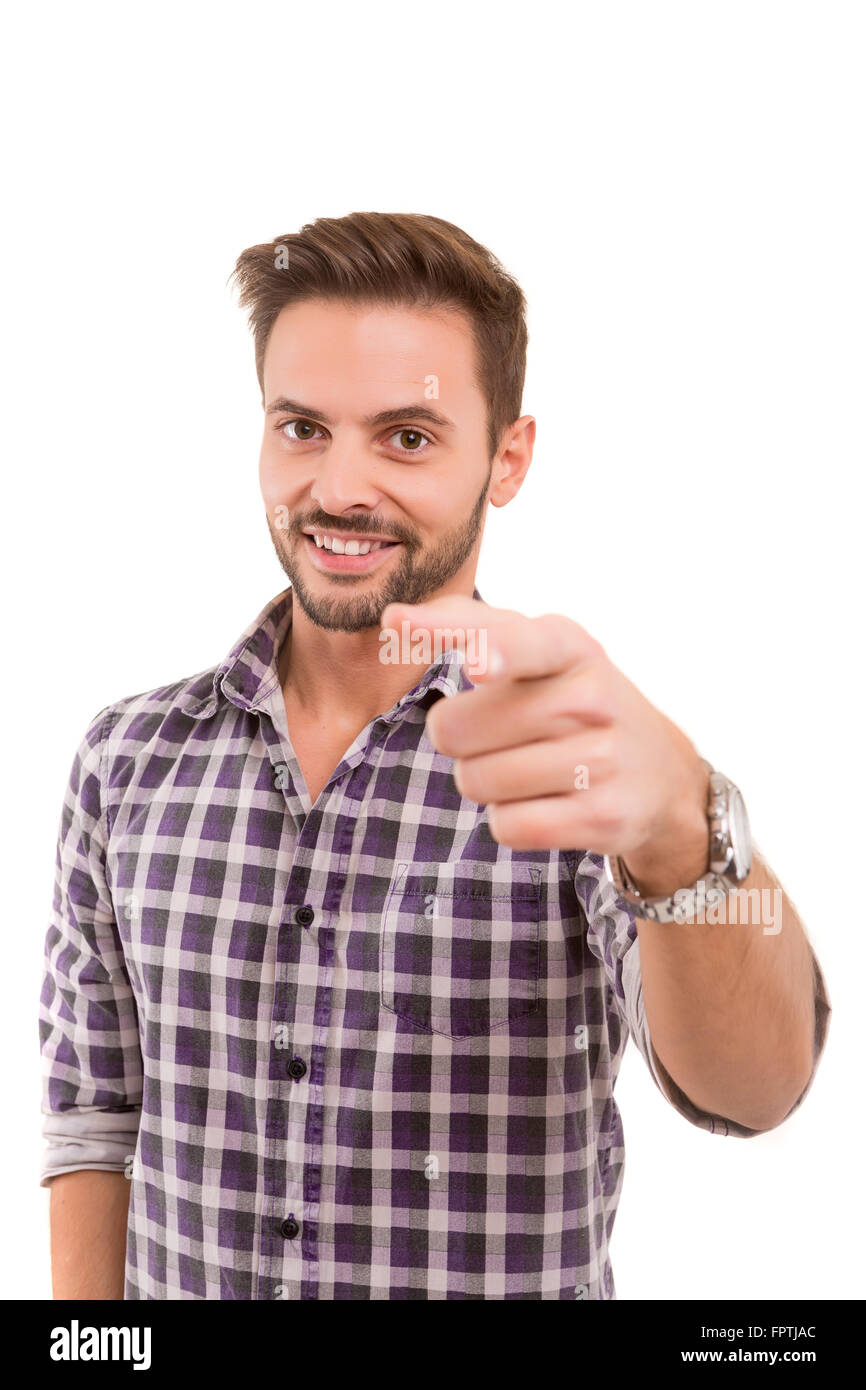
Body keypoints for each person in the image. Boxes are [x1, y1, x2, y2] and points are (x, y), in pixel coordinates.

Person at [40, 212, 830, 1300]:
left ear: (506, 458)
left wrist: (682, 831)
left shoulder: (576, 763)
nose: (339, 488)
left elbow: (758, 1088)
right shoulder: (124, 761)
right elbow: (93, 1117)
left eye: (406, 436)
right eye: (301, 427)